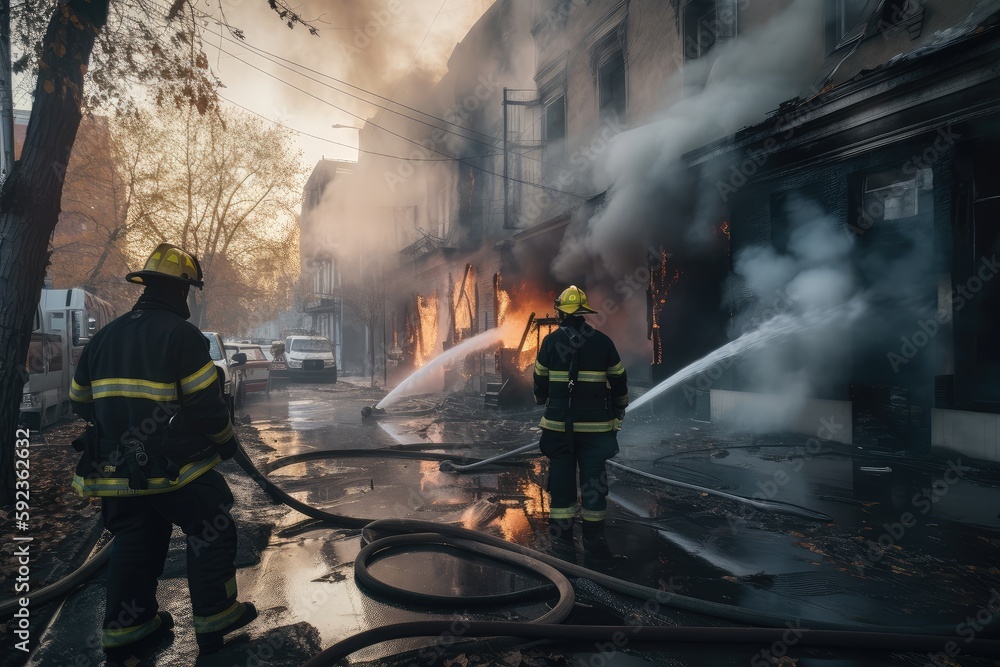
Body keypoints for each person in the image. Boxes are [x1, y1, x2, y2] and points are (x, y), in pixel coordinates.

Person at [69, 243, 257, 662]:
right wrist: (227, 442)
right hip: (173, 470)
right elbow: (206, 405)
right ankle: (215, 615)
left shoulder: (105, 337)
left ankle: (127, 627)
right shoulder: (181, 336)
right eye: (188, 292)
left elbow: (80, 402)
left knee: (136, 539)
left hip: (115, 471)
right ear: (180, 290)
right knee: (211, 522)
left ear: (146, 286)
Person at [533, 285, 629, 530]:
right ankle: (594, 538)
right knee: (593, 483)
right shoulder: (603, 342)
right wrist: (619, 408)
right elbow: (619, 379)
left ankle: (561, 539)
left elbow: (540, 378)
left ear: (562, 314)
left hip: (558, 427)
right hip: (596, 431)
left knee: (561, 483)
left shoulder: (551, 342)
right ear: (584, 313)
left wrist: (542, 399)